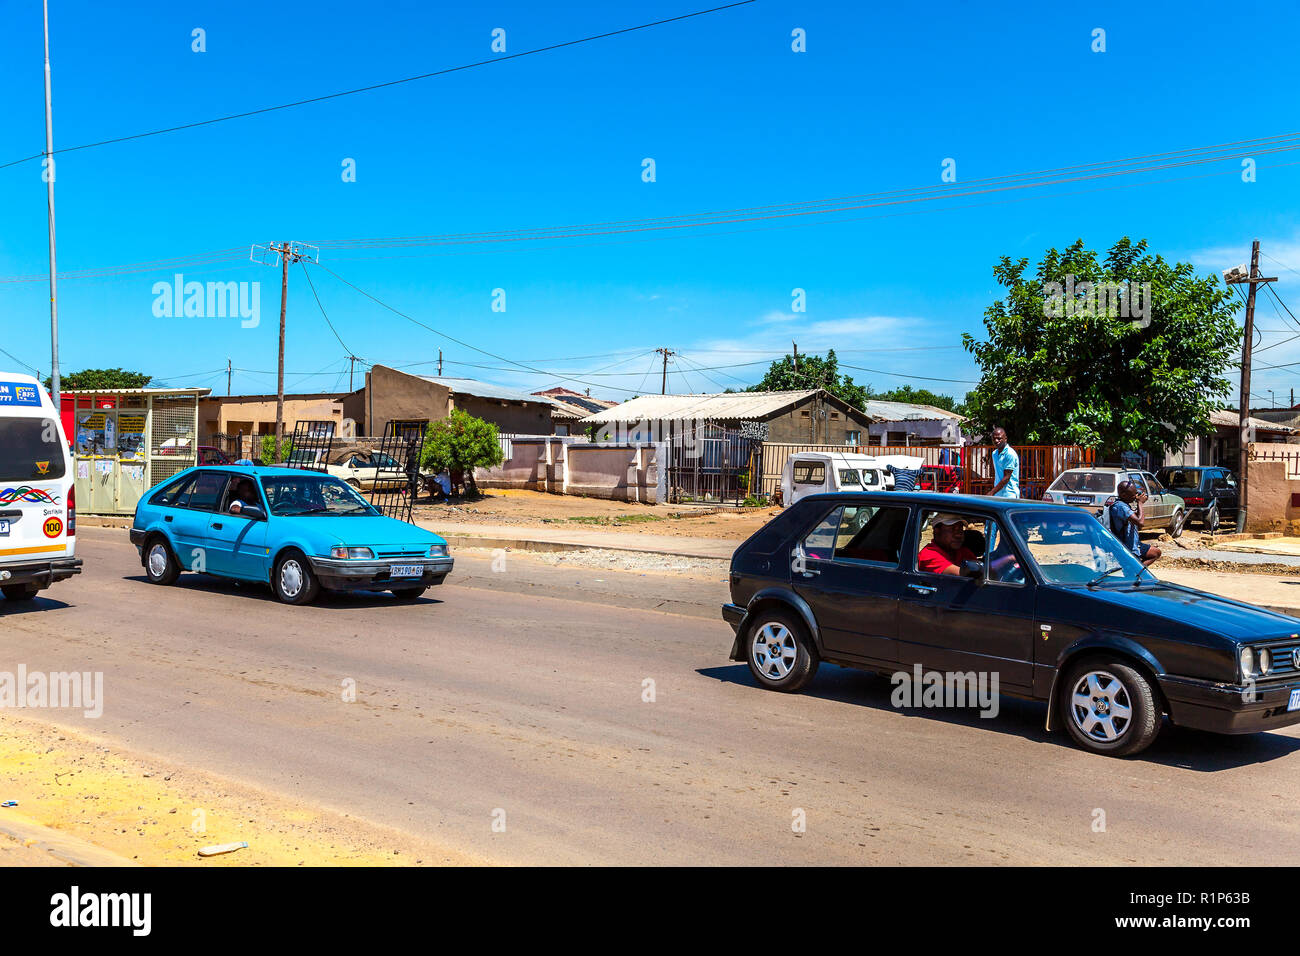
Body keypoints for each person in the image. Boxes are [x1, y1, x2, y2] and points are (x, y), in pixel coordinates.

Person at [1108, 480, 1161, 567]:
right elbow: (1140, 522)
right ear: (1124, 495)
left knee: (1156, 552)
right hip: (1128, 546)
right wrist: (1140, 503)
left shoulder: (1123, 504)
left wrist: (1138, 507)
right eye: (1133, 495)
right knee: (1133, 567)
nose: (1136, 496)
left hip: (1134, 543)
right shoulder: (1120, 506)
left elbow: (1133, 517)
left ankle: (1138, 570)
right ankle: (1137, 571)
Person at [988, 426, 1019, 498]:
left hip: (1009, 494)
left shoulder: (1010, 454)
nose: (996, 441)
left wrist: (992, 492)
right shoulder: (994, 454)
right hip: (998, 494)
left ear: (1005, 439)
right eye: (994, 438)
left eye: (999, 438)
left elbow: (1006, 477)